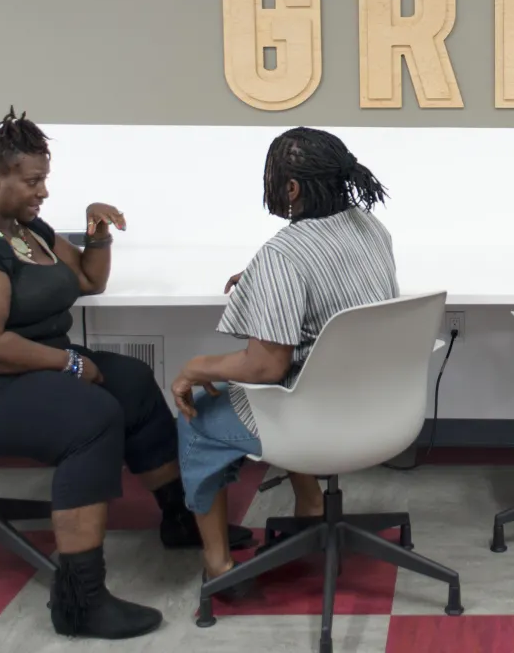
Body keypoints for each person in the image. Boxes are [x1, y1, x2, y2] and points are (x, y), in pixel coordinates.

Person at [0, 109, 251, 640]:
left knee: (128, 380)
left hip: (14, 368)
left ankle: (178, 517)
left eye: (45, 179)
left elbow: (88, 280)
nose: (43, 191)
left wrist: (97, 231)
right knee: (91, 418)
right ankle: (80, 600)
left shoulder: (24, 229)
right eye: (33, 180)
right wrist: (65, 362)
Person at [170, 126, 398, 589]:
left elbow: (265, 367)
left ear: (291, 188)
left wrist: (195, 367)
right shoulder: (369, 225)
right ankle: (311, 505)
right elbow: (329, 278)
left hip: (317, 416)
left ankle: (217, 566)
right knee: (297, 376)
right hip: (379, 405)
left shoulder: (285, 254)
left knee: (195, 418)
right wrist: (262, 276)